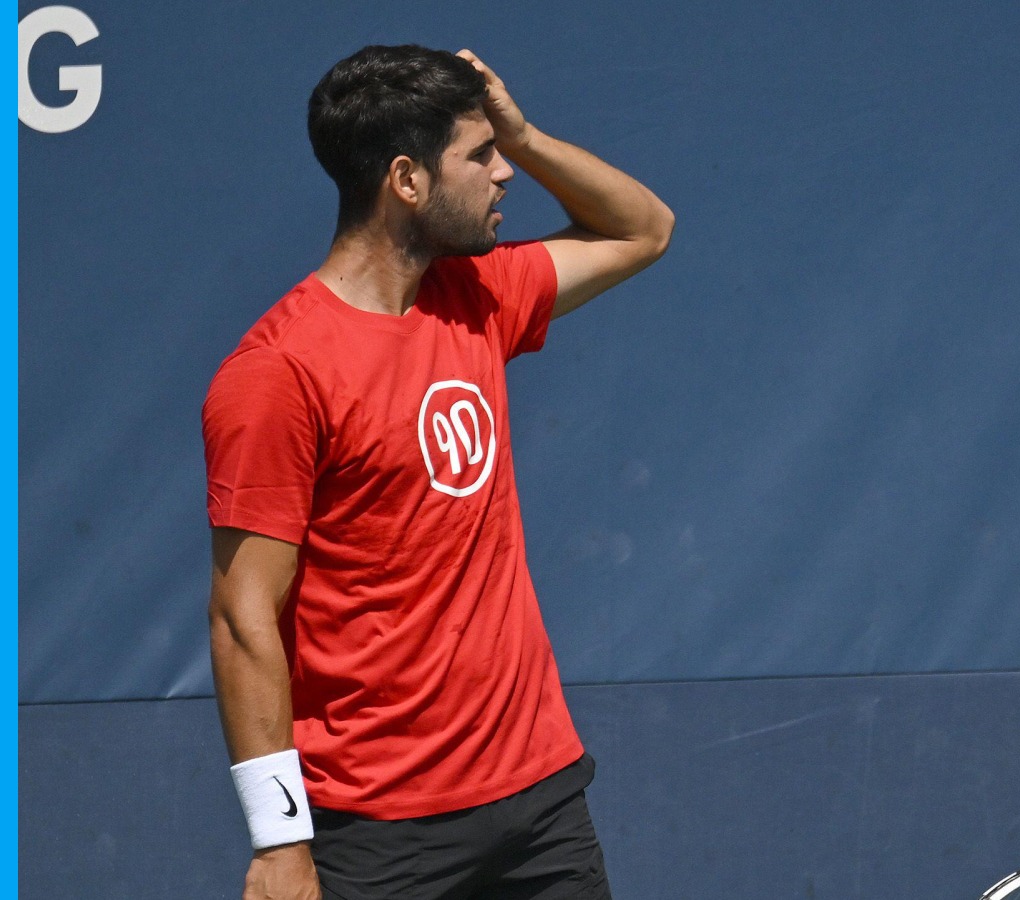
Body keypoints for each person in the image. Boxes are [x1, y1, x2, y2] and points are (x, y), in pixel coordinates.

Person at [202, 44, 673, 900]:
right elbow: (244, 618)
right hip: (379, 834)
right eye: (481, 155)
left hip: (539, 800)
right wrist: (279, 842)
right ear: (407, 182)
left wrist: (523, 133)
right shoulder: (277, 371)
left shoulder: (477, 296)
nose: (505, 175)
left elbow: (643, 228)